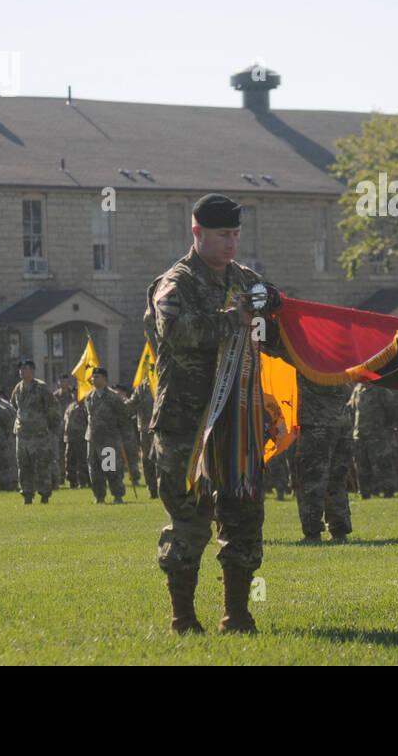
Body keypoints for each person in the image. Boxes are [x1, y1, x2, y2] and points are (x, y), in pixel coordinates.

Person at [142, 192, 283, 635]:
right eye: (223, 235)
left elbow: (275, 315)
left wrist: (271, 302)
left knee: (244, 517)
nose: (232, 244)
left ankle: (237, 615)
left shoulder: (245, 279)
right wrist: (233, 318)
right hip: (186, 425)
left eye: (237, 235)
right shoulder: (175, 281)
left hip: (237, 424)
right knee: (190, 519)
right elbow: (176, 331)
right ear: (197, 232)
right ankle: (183, 618)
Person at [293, 377, 355, 542]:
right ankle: (339, 530)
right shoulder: (339, 357)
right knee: (337, 480)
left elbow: (282, 352)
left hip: (317, 424)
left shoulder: (309, 358)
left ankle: (312, 532)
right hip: (342, 422)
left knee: (311, 479)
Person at [10, 359, 59, 504]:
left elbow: (52, 409)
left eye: (25, 369)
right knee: (24, 466)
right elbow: (14, 405)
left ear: (32, 371)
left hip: (39, 435)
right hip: (23, 434)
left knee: (41, 465)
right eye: (20, 369)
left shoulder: (41, 388)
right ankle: (27, 495)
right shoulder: (18, 388)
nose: (22, 371)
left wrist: (52, 429)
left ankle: (44, 495)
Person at [82, 367, 129, 503]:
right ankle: (99, 496)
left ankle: (117, 495)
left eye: (97, 377)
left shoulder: (113, 397)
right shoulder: (89, 397)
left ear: (104, 379)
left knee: (111, 469)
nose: (94, 379)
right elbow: (88, 416)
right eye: (93, 377)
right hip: (92, 439)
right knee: (94, 470)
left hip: (108, 439)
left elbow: (122, 416)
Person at [350, 382, 398, 499]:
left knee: (383, 464)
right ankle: (365, 492)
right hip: (360, 435)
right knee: (362, 464)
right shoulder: (358, 389)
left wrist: (385, 427)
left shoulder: (381, 388)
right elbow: (352, 408)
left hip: (378, 434)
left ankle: (388, 491)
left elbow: (391, 410)